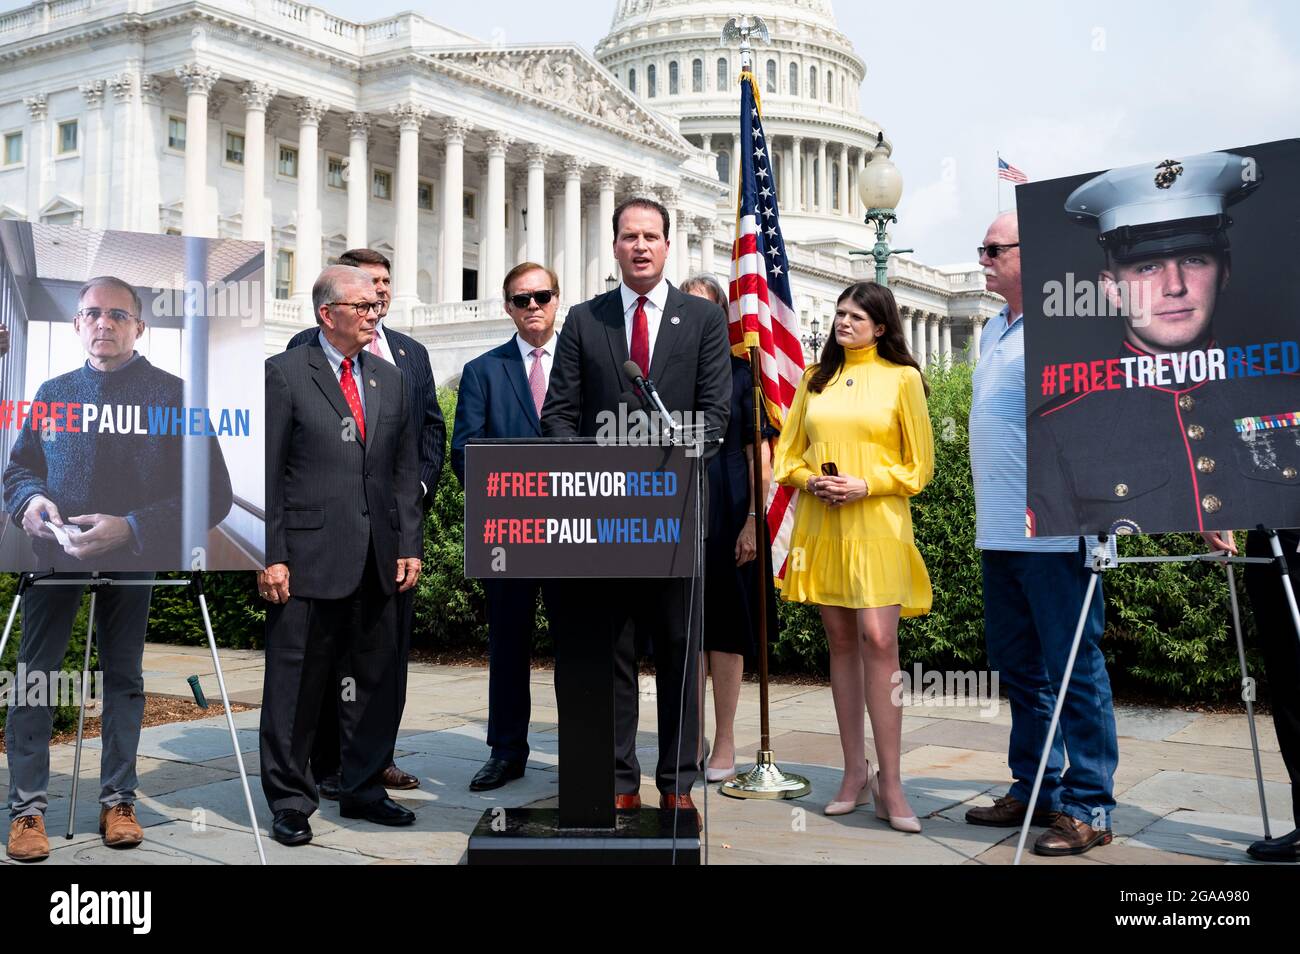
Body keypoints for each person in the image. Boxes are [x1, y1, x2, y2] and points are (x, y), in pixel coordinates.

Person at [2, 275, 233, 861]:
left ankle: (118, 801)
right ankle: (27, 811)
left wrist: (131, 526)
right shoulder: (52, 392)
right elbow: (18, 471)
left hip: (137, 557)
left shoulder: (177, 395)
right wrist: (29, 502)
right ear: (78, 324)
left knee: (125, 679)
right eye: (91, 314)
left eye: (116, 315)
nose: (103, 323)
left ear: (138, 326)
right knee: (35, 679)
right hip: (54, 559)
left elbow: (213, 494)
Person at [541, 197, 731, 820]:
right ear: (615, 246)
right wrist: (600, 474)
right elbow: (559, 416)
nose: (640, 246)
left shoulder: (701, 319)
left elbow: (715, 417)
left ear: (668, 245)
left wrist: (660, 461)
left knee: (680, 651)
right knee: (613, 650)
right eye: (629, 237)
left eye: (651, 236)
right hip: (604, 520)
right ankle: (617, 776)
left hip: (676, 515)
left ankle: (678, 778)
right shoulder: (583, 320)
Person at [1028, 151, 1300, 537]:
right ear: (1112, 289)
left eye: (1193, 259)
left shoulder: (1291, 395)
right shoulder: (1054, 429)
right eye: (1147, 267)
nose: (1174, 286)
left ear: (1224, 272)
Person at [966, 211, 1119, 856]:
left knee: (1073, 668)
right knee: (1020, 667)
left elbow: (1100, 417)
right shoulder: (993, 329)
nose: (983, 258)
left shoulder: (1068, 326)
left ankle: (1089, 805)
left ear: (1034, 256)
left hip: (1057, 532)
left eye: (994, 248)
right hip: (1001, 530)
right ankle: (1036, 787)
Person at [259, 265, 422, 846]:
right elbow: (267, 474)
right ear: (327, 315)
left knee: (374, 680)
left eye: (377, 304)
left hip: (379, 557)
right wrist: (271, 553)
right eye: (361, 305)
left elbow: (403, 472)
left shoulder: (390, 379)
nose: (374, 311)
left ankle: (363, 787)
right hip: (306, 558)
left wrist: (409, 544)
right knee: (297, 684)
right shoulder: (285, 373)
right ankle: (290, 800)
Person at [772, 281, 932, 832]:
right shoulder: (814, 381)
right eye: (840, 314)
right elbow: (786, 457)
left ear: (881, 326)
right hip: (824, 525)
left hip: (879, 522)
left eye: (856, 316)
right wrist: (810, 480)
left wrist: (868, 484)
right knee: (840, 643)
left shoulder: (903, 379)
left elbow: (920, 469)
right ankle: (851, 773)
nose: (843, 323)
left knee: (880, 640)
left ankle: (892, 780)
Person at [287, 248, 446, 798]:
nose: (379, 298)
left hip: (389, 535)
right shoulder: (297, 356)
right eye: (367, 288)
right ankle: (321, 768)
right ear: (331, 306)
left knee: (381, 664)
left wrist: (411, 505)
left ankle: (372, 766)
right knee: (320, 667)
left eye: (384, 285)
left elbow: (425, 436)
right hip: (323, 543)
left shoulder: (406, 357)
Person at [451, 261, 561, 791]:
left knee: (579, 644)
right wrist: (519, 479)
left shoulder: (583, 368)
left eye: (542, 296)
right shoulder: (482, 371)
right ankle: (506, 750)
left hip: (576, 535)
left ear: (557, 300)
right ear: (507, 308)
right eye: (522, 299)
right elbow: (462, 452)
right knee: (509, 646)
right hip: (510, 533)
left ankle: (585, 747)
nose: (533, 306)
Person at [678, 273, 778, 782]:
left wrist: (750, 524)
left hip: (731, 511)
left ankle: (727, 739)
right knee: (686, 630)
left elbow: (759, 454)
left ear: (721, 318)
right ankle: (689, 736)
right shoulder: (668, 375)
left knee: (727, 631)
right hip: (676, 514)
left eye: (706, 310)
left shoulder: (745, 376)